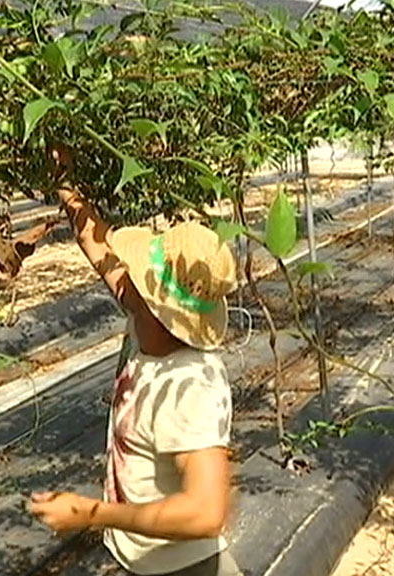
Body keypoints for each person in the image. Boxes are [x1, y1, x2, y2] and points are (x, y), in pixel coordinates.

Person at [29, 143, 243, 576]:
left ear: (158, 305)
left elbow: (206, 513)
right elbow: (97, 245)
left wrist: (91, 513)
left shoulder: (190, 385)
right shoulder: (147, 323)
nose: (127, 276)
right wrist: (64, 181)